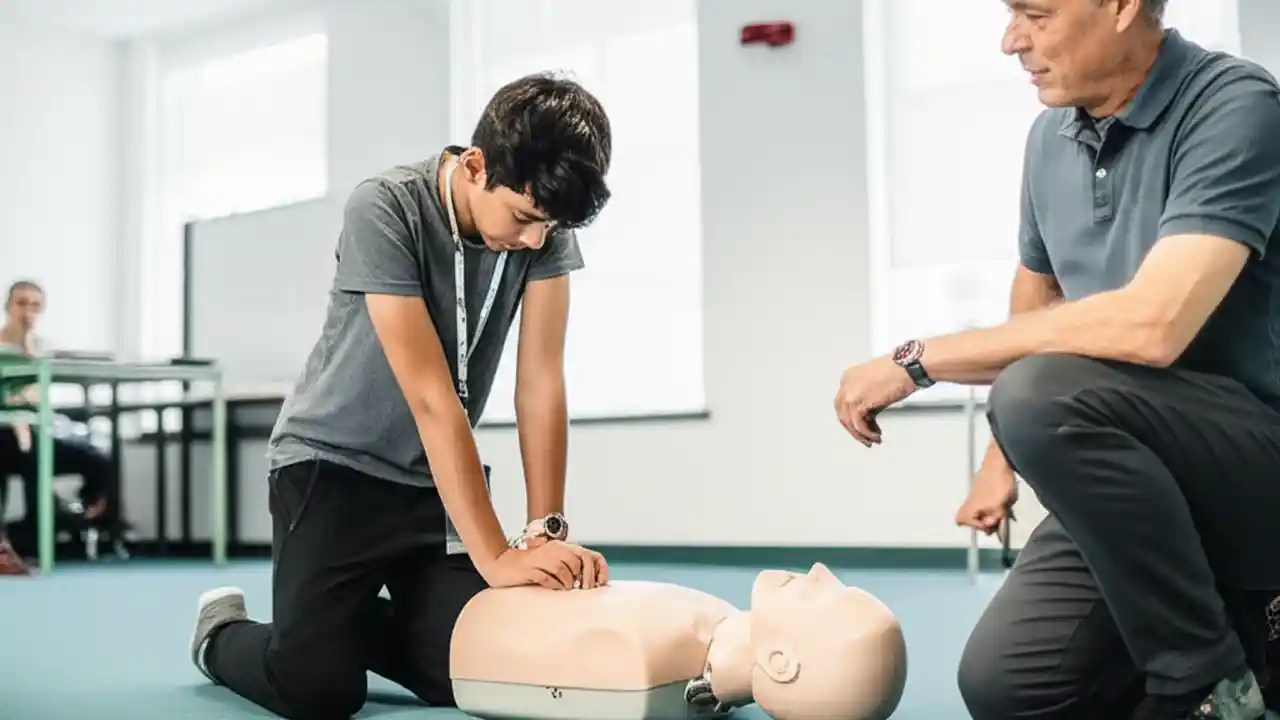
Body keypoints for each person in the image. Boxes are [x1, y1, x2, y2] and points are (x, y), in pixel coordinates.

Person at [832, 1, 1280, 718]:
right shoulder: (1049, 137)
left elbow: (1154, 324)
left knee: (1042, 391)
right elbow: (1038, 294)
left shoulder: (1235, 105)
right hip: (1135, 475)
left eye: (1036, 14)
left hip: (1252, 460)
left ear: (1123, 7)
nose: (1012, 40)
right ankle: (1236, 636)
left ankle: (1205, 682)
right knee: (1009, 686)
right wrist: (999, 460)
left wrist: (918, 360)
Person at [189, 72, 615, 719]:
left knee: (477, 667)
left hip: (427, 485)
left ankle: (332, 621)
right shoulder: (384, 207)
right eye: (525, 218)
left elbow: (540, 382)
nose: (535, 239)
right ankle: (220, 635)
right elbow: (432, 400)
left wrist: (542, 529)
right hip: (330, 470)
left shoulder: (545, 224)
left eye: (548, 225)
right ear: (477, 165)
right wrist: (496, 556)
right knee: (317, 691)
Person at [0, 279, 127, 561]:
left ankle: (73, 514)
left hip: (38, 433)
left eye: (34, 305)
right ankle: (28, 544)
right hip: (7, 435)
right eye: (21, 303)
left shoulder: (42, 350)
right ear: (8, 306)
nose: (28, 311)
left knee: (96, 460)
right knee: (29, 455)